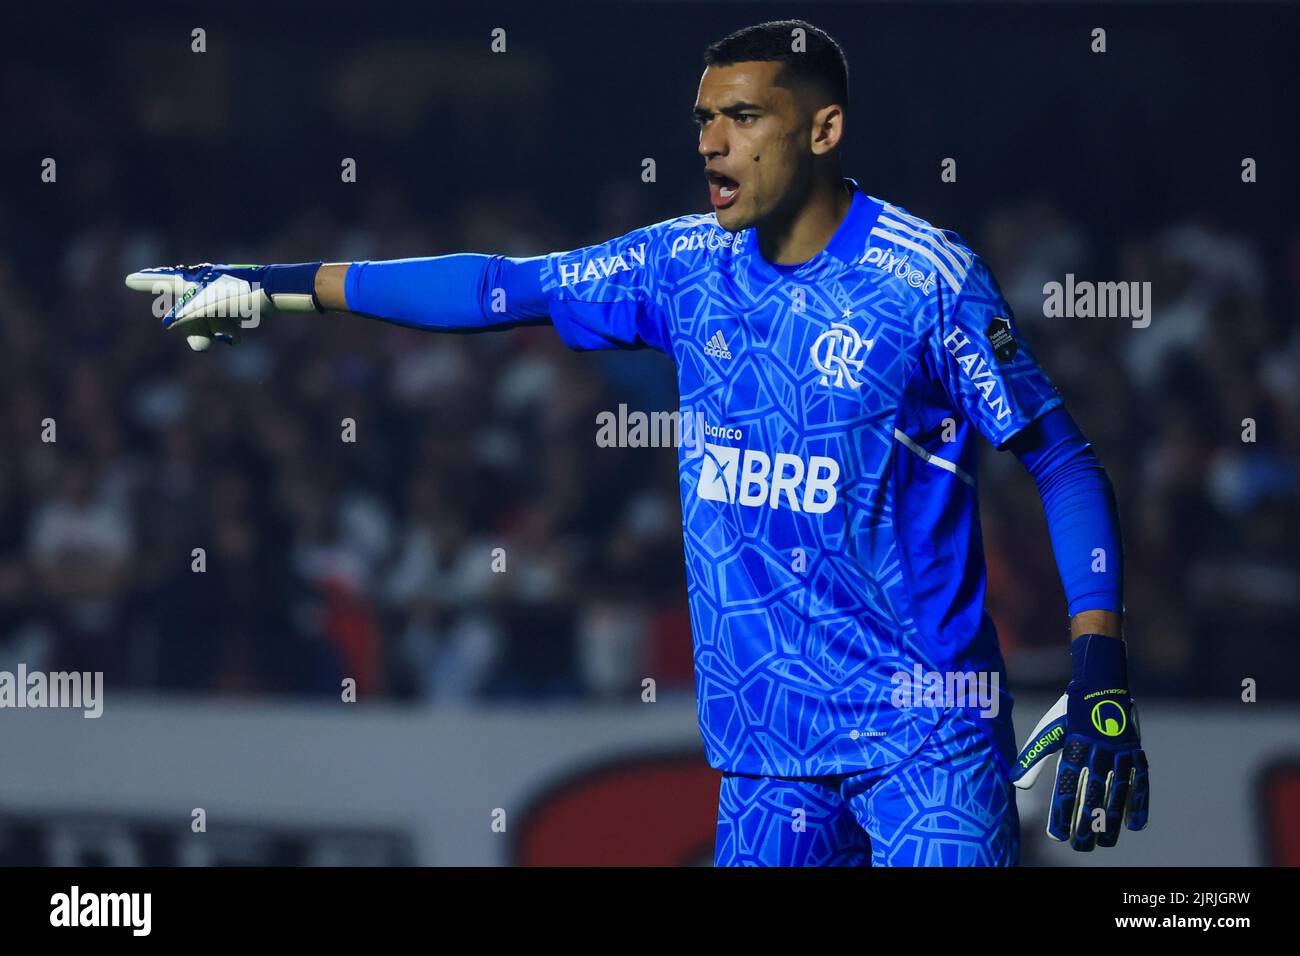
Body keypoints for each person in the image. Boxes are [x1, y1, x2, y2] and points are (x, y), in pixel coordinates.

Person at [126, 19, 1148, 866]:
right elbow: (495, 286)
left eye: (744, 117)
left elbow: (1062, 459)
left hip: (925, 737)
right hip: (765, 753)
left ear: (825, 128)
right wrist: (275, 285)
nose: (711, 142)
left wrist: (1097, 653)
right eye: (704, 118)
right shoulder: (682, 266)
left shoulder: (925, 280)